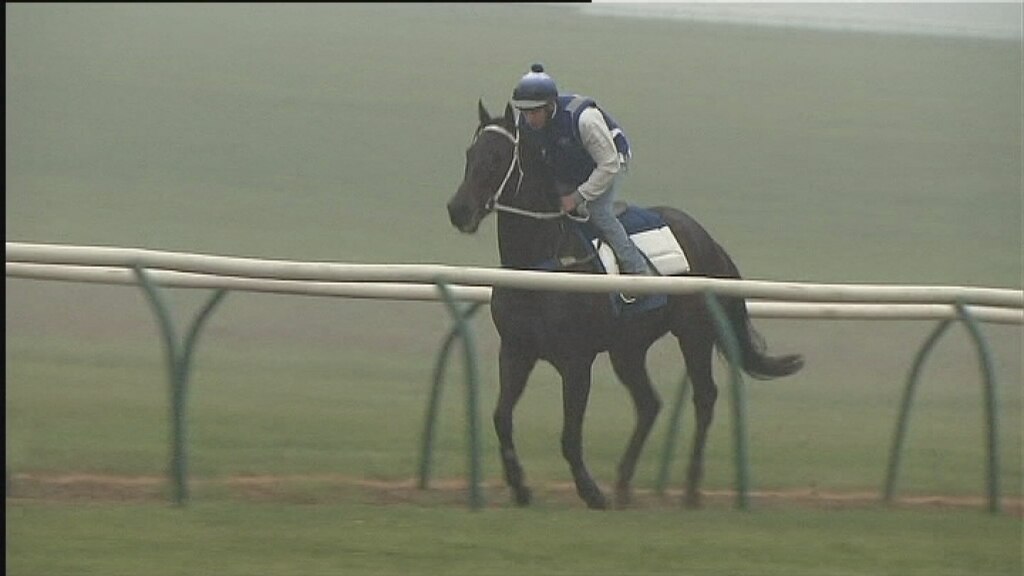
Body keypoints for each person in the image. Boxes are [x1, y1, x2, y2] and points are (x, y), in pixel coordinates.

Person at [511, 63, 652, 302]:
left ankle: (638, 272)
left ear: (549, 105)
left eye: (535, 112)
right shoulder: (524, 124)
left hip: (606, 161)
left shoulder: (584, 119)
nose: (529, 118)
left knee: (598, 212)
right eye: (525, 112)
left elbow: (608, 165)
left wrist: (576, 198)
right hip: (570, 166)